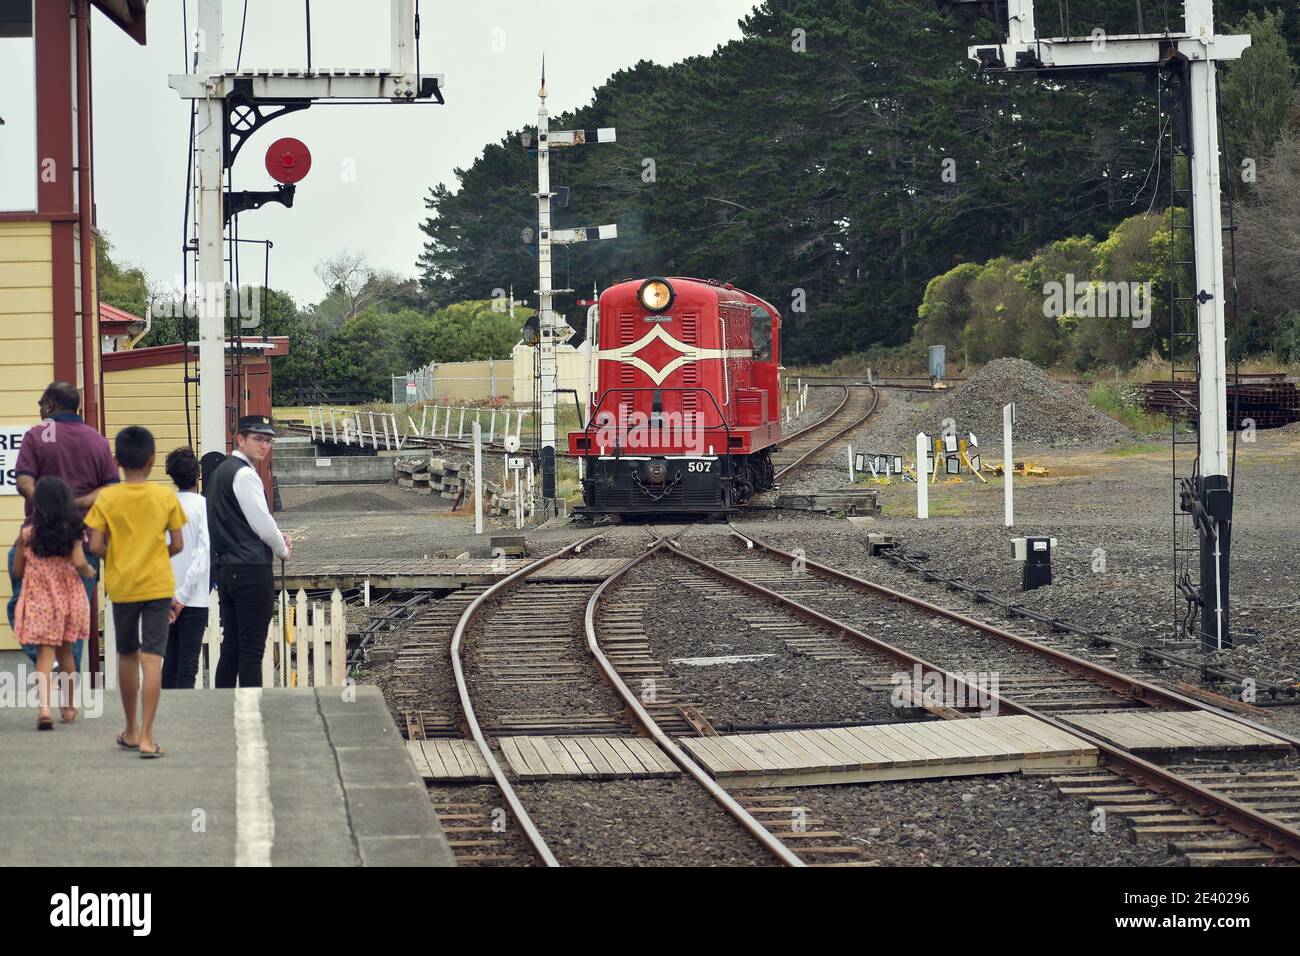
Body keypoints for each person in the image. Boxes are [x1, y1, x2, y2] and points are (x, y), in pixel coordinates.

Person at [86, 426, 186, 759]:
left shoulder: (107, 498)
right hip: (157, 585)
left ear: (116, 461)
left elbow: (96, 544)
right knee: (152, 657)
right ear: (153, 460)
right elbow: (178, 543)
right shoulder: (164, 497)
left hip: (123, 586)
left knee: (127, 655)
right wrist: (155, 555)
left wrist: (117, 556)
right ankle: (147, 737)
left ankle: (129, 729)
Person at [8, 381, 118, 671]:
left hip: (38, 536)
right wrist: (79, 504)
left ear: (50, 405)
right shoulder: (97, 439)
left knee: (19, 604)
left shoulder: (37, 435)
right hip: (82, 539)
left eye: (41, 404)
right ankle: (70, 689)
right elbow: (110, 489)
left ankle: (48, 656)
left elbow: (23, 482)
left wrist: (45, 503)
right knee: (74, 616)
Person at [207, 415, 290, 688]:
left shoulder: (220, 473)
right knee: (252, 651)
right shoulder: (245, 475)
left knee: (232, 645)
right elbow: (263, 523)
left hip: (227, 568)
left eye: (268, 440)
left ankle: (223, 709)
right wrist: (281, 548)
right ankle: (249, 712)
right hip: (251, 570)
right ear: (240, 439)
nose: (264, 446)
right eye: (258, 439)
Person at [11, 477, 96, 730]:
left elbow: (17, 571)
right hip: (68, 599)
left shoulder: (27, 535)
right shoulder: (73, 532)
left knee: (45, 656)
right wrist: (89, 570)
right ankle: (69, 707)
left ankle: (45, 709)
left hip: (39, 601)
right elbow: (79, 563)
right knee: (67, 653)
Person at [162, 448, 210, 690]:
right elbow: (203, 556)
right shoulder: (203, 507)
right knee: (188, 664)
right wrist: (182, 597)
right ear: (197, 475)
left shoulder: (164, 505)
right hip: (194, 598)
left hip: (166, 595)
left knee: (169, 661)